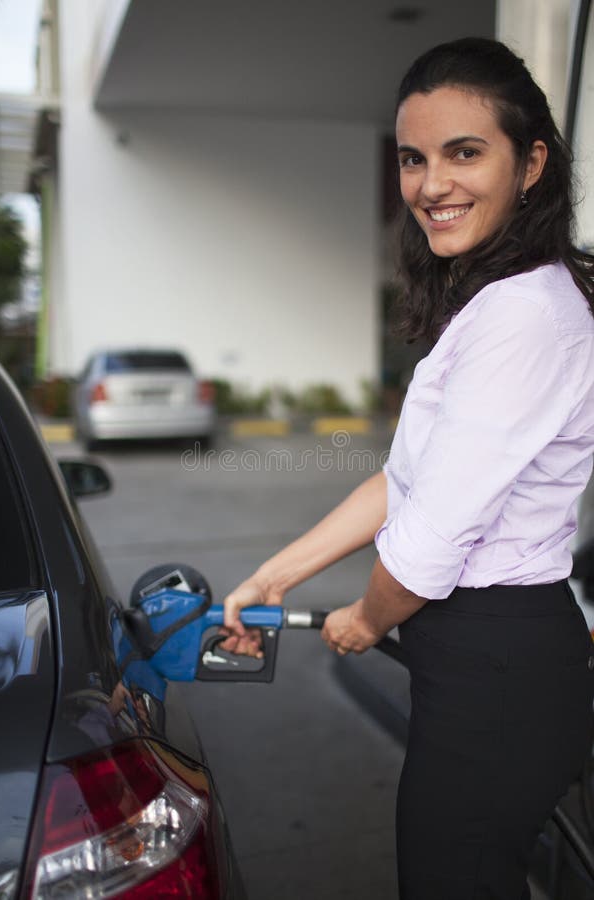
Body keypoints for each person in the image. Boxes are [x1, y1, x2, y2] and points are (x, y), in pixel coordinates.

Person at [220, 37, 594, 899]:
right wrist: (274, 577)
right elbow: (404, 480)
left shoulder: (526, 316)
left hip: (496, 666)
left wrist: (365, 616)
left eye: (466, 153)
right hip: (482, 660)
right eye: (414, 159)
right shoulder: (494, 302)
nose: (432, 185)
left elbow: (428, 542)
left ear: (531, 162)